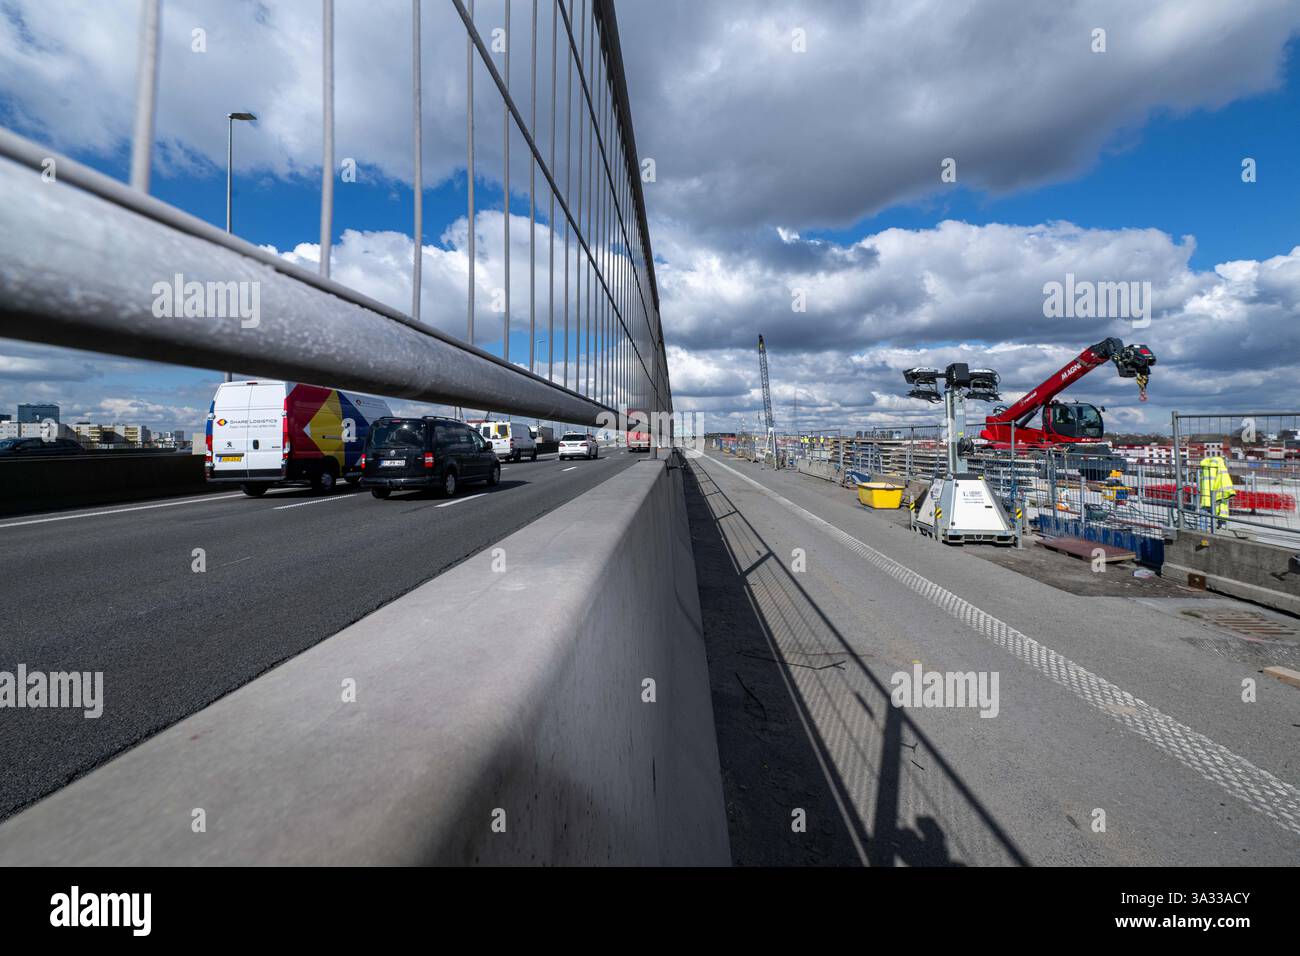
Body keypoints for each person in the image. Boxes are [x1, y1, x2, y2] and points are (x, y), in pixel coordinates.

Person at [1198, 440, 1236, 530]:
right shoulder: (1220, 467)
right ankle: (1218, 526)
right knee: (1215, 510)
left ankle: (1203, 530)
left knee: (1204, 512)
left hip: (1205, 496)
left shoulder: (1205, 466)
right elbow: (1225, 481)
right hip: (1216, 495)